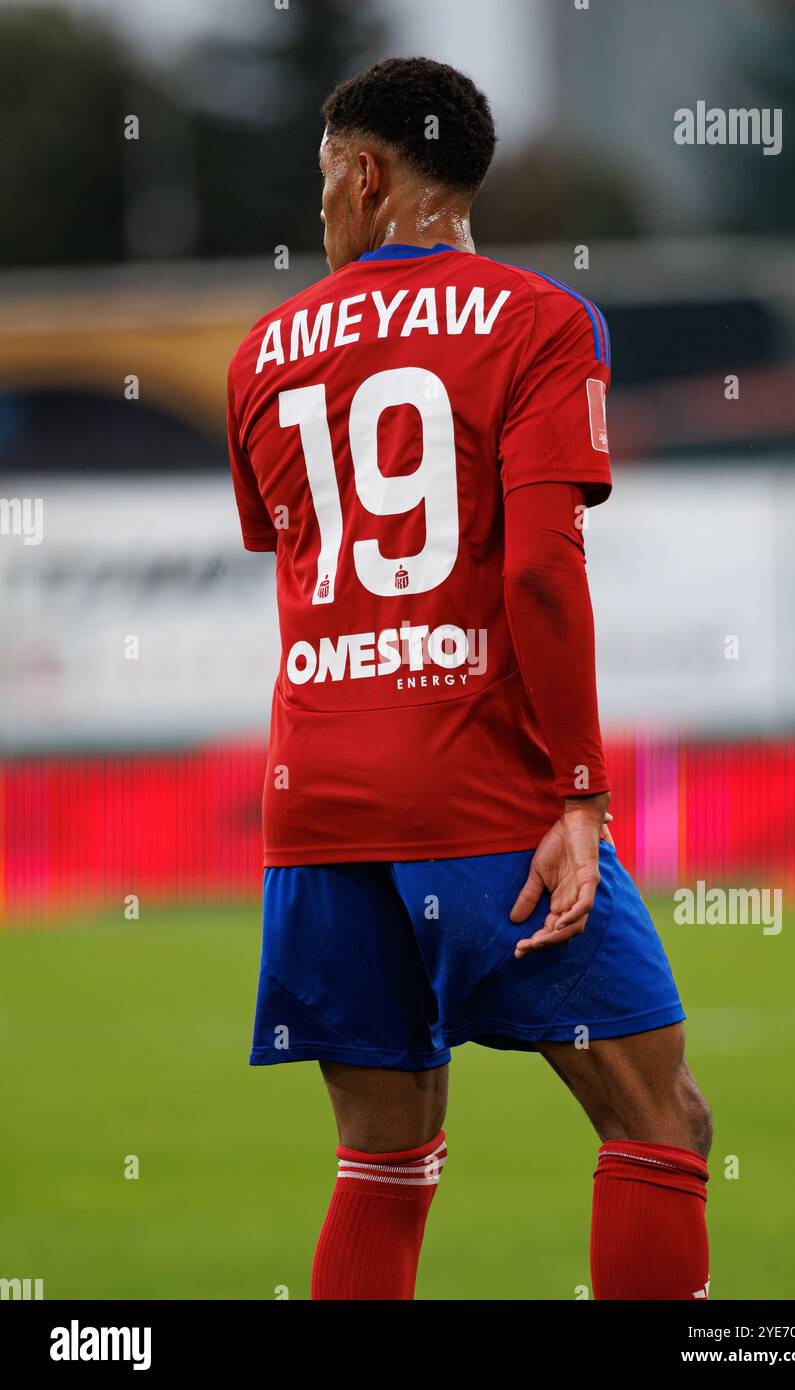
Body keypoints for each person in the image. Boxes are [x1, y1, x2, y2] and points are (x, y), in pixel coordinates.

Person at [227, 56, 712, 1301]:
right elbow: (540, 572)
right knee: (659, 1124)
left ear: (365, 172)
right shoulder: (543, 321)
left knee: (381, 1159)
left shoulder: (262, 354)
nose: (320, 210)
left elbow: (301, 566)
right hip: (478, 793)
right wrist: (582, 794)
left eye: (322, 182)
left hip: (316, 811)